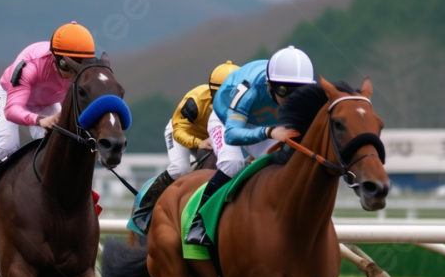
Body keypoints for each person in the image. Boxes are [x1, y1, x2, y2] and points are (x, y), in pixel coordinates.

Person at [0, 22, 96, 229]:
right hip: (11, 96)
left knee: (56, 147)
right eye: (68, 65)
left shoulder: (83, 70)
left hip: (46, 102)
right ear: (56, 58)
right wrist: (39, 120)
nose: (74, 72)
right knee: (6, 147)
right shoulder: (31, 64)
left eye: (79, 64)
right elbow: (13, 110)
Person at [184, 46, 316, 245]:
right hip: (227, 119)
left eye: (299, 92)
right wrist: (269, 132)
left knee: (285, 164)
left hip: (265, 122)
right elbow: (232, 134)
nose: (291, 100)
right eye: (283, 91)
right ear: (270, 85)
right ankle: (199, 222)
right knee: (232, 163)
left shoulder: (302, 96)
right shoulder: (249, 87)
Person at [133, 61, 239, 227]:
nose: (229, 102)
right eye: (224, 96)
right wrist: (198, 142)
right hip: (182, 133)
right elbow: (179, 130)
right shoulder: (196, 100)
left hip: (212, 138)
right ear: (213, 92)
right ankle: (145, 207)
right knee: (180, 168)